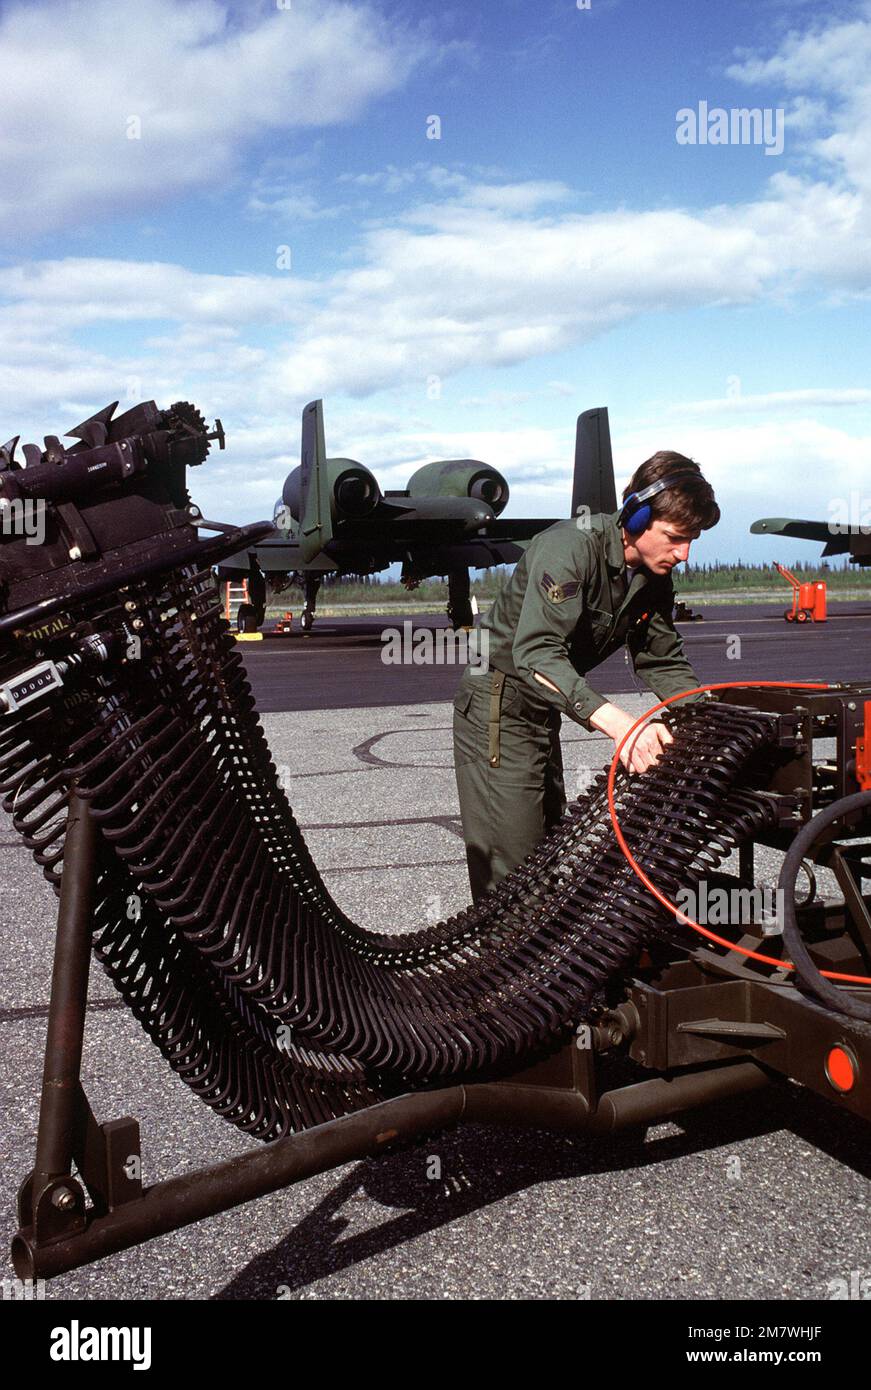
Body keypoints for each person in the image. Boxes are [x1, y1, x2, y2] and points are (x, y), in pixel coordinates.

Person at [452, 451, 719, 902]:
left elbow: (662, 660)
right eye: (675, 538)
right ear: (635, 519)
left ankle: (539, 964)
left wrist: (708, 722)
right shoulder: (570, 548)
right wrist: (623, 726)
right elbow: (536, 653)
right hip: (499, 705)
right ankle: (508, 968)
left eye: (691, 540)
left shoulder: (653, 575)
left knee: (547, 852)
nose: (684, 554)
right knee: (515, 871)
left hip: (544, 707)